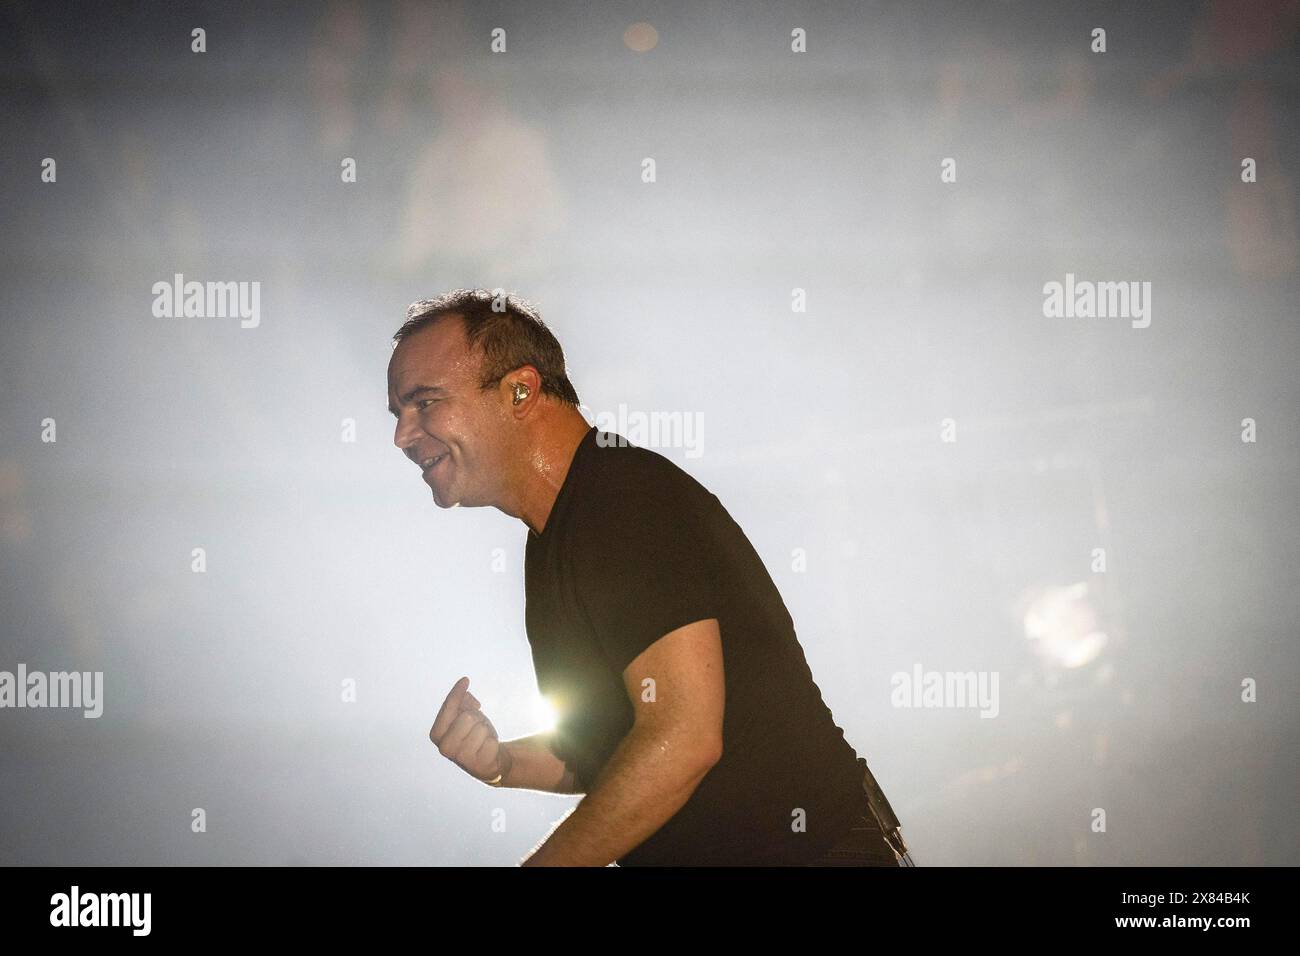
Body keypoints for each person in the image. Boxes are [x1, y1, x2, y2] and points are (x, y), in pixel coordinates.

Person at [389, 288, 904, 866]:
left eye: (425, 403)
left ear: (520, 390)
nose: (402, 435)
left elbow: (683, 740)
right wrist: (505, 764)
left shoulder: (621, 499)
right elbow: (609, 748)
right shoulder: (556, 536)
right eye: (399, 414)